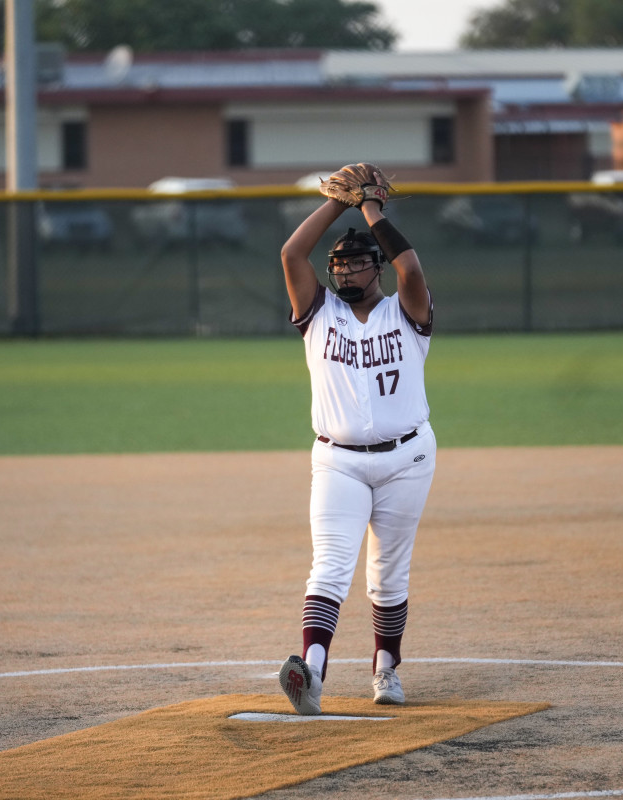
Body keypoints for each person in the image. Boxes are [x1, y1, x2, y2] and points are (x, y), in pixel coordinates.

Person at [277, 165, 437, 715]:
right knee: (330, 564)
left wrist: (371, 208)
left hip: (408, 458)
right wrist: (336, 203)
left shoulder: (406, 309)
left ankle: (385, 668)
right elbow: (291, 255)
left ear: (377, 267)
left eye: (355, 262)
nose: (343, 269)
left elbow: (410, 267)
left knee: (388, 573)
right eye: (338, 264)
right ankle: (311, 672)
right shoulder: (319, 312)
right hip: (338, 461)